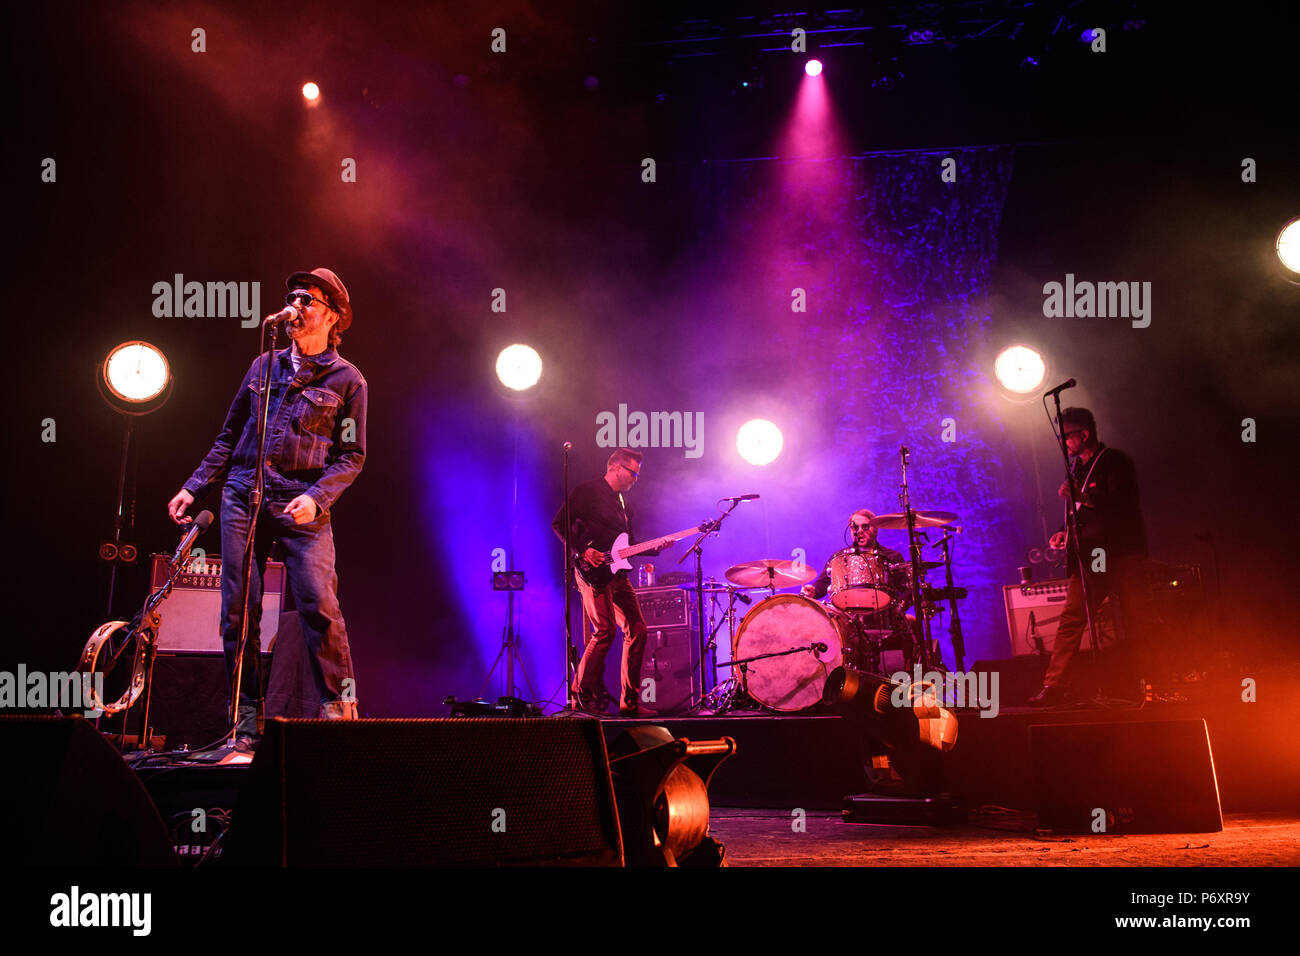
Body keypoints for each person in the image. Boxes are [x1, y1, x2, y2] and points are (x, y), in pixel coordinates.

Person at [167, 268, 367, 750]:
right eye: (293, 296)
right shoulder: (262, 366)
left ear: (333, 315)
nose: (296, 305)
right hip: (242, 493)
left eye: (309, 300)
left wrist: (317, 498)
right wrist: (195, 486)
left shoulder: (348, 380)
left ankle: (341, 716)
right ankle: (243, 723)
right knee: (238, 611)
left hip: (302, 502)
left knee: (319, 605)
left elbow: (351, 455)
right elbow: (229, 433)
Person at [1028, 407, 1150, 706]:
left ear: (1084, 434)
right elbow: (1078, 513)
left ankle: (1150, 682)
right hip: (1089, 557)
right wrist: (1062, 532)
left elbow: (1123, 504)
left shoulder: (1115, 461)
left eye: (1066, 436)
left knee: (1138, 618)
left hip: (1122, 554)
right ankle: (1054, 686)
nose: (1062, 443)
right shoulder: (1078, 470)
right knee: (1072, 619)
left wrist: (1081, 496)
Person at [553, 448, 661, 716]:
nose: (635, 479)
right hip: (592, 571)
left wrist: (656, 547)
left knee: (637, 629)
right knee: (605, 630)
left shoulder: (625, 505)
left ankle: (630, 703)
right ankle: (580, 695)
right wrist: (583, 551)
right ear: (616, 468)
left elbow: (628, 545)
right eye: (633, 473)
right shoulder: (587, 491)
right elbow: (559, 524)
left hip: (618, 575)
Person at [803, 509, 906, 602]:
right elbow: (823, 583)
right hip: (848, 615)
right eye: (855, 527)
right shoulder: (839, 558)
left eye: (865, 526)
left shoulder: (892, 557)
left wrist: (900, 608)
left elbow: (908, 589)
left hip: (885, 616)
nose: (860, 531)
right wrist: (814, 591)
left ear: (876, 529)